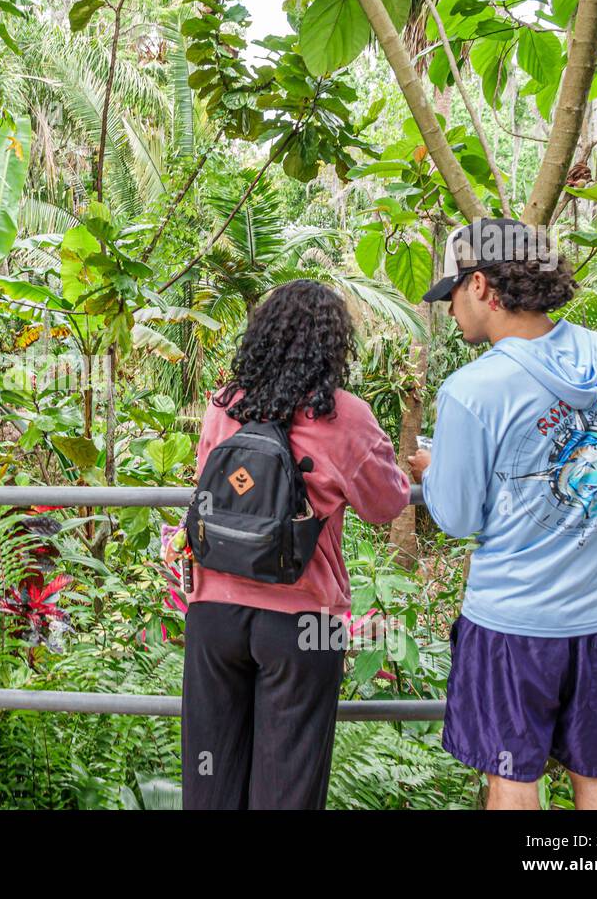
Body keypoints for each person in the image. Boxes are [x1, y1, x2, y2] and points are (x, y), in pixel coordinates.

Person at [408, 218, 597, 810]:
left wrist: (433, 470)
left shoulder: (473, 390)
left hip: (511, 624)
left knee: (512, 780)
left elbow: (459, 517)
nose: (450, 311)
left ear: (482, 286)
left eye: (452, 294)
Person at [172, 279, 410, 809]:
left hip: (215, 613)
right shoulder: (345, 415)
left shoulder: (224, 404)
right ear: (333, 345)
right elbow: (386, 505)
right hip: (303, 624)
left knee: (209, 782)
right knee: (287, 789)